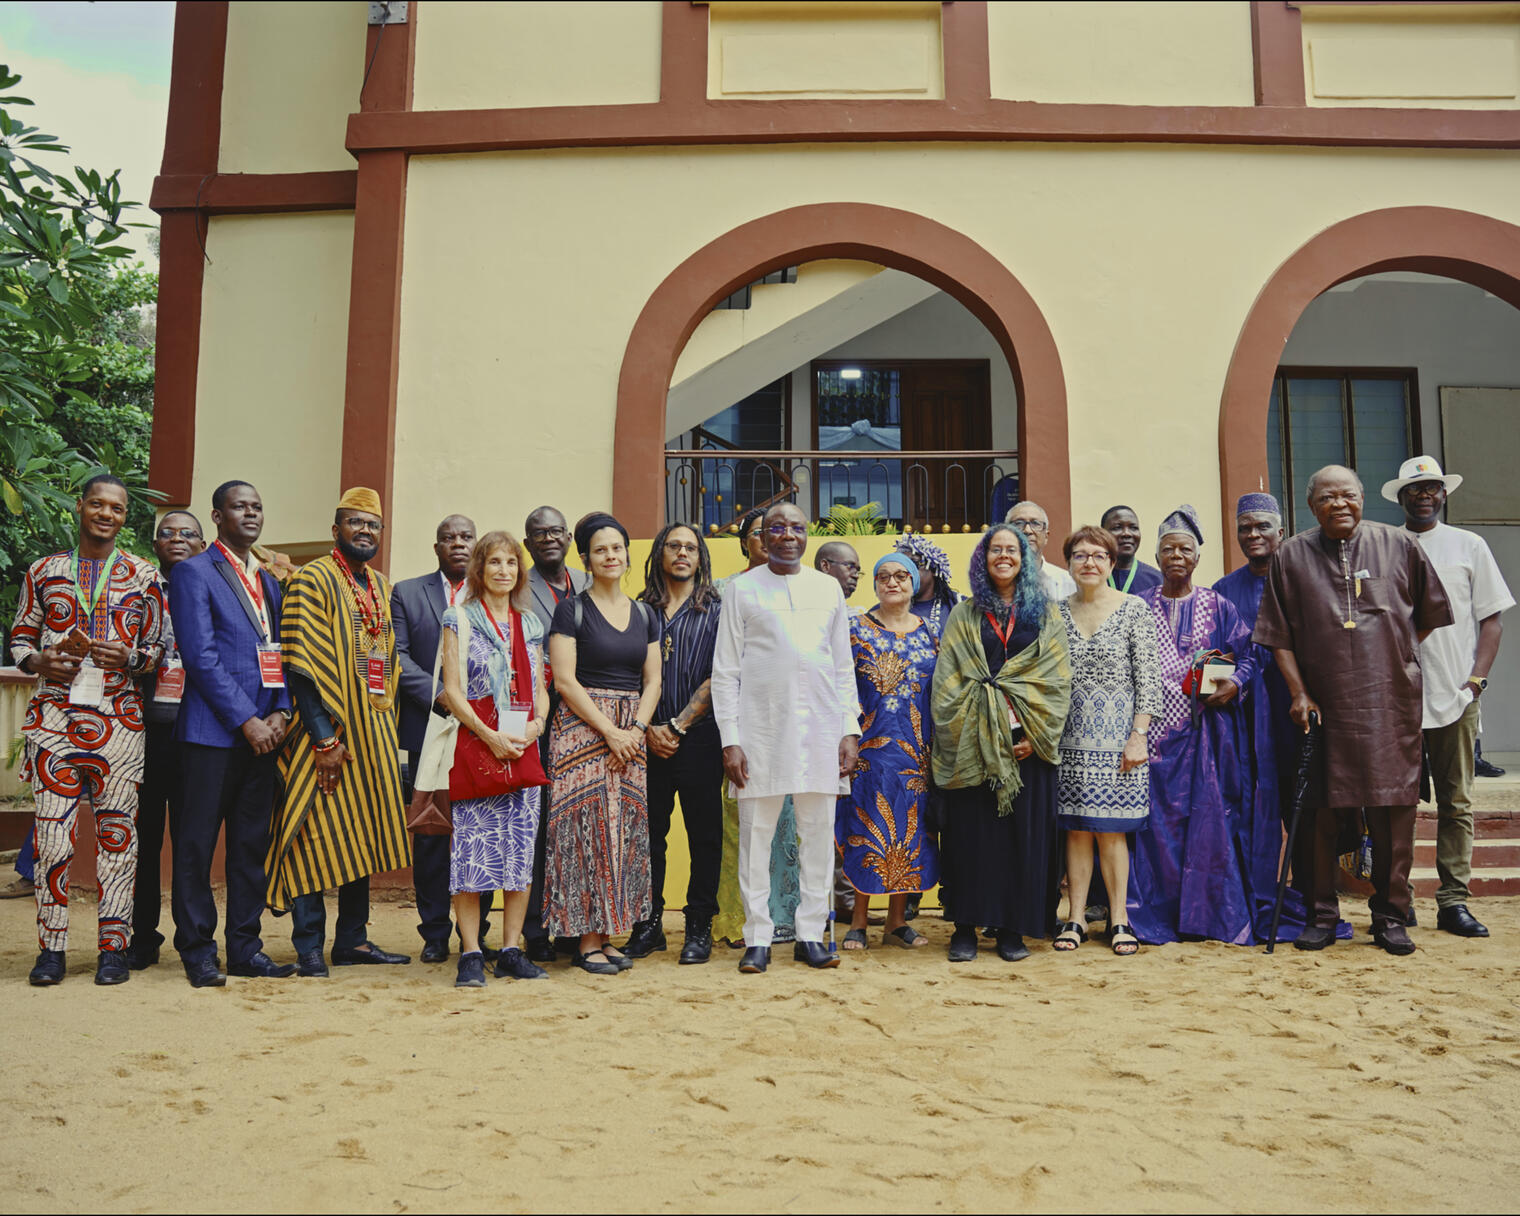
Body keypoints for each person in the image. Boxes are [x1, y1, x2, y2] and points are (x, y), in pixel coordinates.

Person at [1254, 466, 1453, 956]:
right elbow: (1277, 636)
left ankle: (1389, 917)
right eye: (1327, 497)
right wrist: (1299, 692)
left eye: (1347, 495)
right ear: (1310, 505)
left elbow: (1426, 617)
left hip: (1389, 705)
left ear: (1363, 499)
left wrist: (1393, 655)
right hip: (1322, 708)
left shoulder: (1400, 545)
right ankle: (1321, 916)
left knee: (1393, 813)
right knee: (1320, 813)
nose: (1338, 504)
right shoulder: (1291, 556)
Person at [10, 474, 166, 986]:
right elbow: (19, 636)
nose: (106, 513)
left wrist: (131, 656)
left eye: (116, 508)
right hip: (55, 720)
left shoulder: (143, 575)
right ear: (80, 507)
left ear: (125, 517)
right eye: (97, 504)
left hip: (120, 722)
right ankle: (51, 950)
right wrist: (38, 659)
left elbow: (160, 649)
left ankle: (113, 951)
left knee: (119, 840)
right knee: (54, 839)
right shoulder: (45, 570)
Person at [267, 487, 413, 975]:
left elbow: (386, 660)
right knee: (314, 833)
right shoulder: (312, 580)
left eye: (373, 525)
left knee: (361, 830)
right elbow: (300, 666)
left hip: (371, 731)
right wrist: (324, 739)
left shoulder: (381, 586)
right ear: (336, 530)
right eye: (355, 523)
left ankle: (352, 939)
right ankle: (309, 945)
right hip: (323, 735)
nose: (365, 531)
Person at [712, 501, 861, 974]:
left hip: (820, 730)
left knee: (817, 837)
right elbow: (725, 671)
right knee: (757, 836)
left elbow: (843, 668)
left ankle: (811, 935)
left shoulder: (827, 590)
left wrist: (849, 729)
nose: (787, 535)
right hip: (760, 732)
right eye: (777, 528)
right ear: (762, 537)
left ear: (807, 535)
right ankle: (757, 938)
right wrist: (730, 739)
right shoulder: (740, 590)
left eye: (796, 528)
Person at [169, 481, 297, 986]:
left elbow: (279, 651)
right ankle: (198, 951)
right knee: (197, 847)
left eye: (257, 506)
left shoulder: (266, 580)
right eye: (239, 506)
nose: (251, 513)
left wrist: (282, 711)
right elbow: (200, 657)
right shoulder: (193, 572)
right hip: (214, 736)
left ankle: (245, 949)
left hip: (266, 735)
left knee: (249, 848)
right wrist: (247, 720)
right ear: (217, 516)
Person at [1125, 506, 1271, 946]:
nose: (1175, 555)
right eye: (1167, 548)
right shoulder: (1139, 606)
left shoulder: (1218, 604)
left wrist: (1235, 684)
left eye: (1184, 549)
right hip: (1151, 740)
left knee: (1207, 825)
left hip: (1208, 738)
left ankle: (1207, 918)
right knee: (1155, 830)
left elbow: (1251, 654)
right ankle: (1155, 916)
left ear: (1196, 558)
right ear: (1156, 554)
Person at [1385, 456, 1512, 939]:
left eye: (1432, 488)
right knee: (1395, 803)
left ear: (1443, 495)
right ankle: (1398, 900)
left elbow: (1492, 619)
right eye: (1415, 488)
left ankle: (1453, 901)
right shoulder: (1386, 546)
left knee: (1456, 803)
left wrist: (1475, 682)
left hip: (1455, 696)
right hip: (1397, 699)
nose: (1424, 494)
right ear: (1401, 497)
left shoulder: (1468, 545)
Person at [931, 524, 1070, 963]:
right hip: (974, 745)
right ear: (983, 558)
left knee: (1020, 839)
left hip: (1029, 745)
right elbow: (948, 680)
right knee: (971, 839)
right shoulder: (965, 613)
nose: (1004, 556)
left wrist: (1035, 733)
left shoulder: (1045, 614)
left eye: (1013, 550)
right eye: (996, 550)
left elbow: (1058, 679)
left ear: (1025, 560)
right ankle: (966, 928)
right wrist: (978, 732)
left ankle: (1012, 930)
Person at [545, 513, 661, 975]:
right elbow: (564, 681)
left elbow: (653, 680)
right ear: (585, 559)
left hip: (631, 734)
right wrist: (609, 732)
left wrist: (634, 729)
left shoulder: (646, 613)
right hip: (581, 731)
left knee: (624, 832)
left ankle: (609, 932)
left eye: (617, 548)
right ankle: (584, 940)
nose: (611, 556)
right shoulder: (570, 610)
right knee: (583, 833)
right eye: (600, 550)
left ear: (627, 554)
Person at [437, 530, 552, 987]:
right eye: (494, 562)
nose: (503, 570)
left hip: (522, 744)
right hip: (477, 744)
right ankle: (469, 952)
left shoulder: (530, 624)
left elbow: (542, 688)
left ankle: (509, 949)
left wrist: (534, 727)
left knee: (520, 851)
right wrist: (489, 735)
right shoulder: (458, 619)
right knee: (471, 852)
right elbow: (452, 690)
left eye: (511, 562)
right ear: (479, 570)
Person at [1212, 492, 1325, 942]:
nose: (1253, 535)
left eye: (1262, 527)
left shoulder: (1306, 580)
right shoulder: (1223, 591)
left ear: (1282, 531)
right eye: (1245, 528)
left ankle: (1310, 893)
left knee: (1303, 800)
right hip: (1241, 717)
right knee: (1246, 803)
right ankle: (1248, 892)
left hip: (1298, 707)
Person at [392, 514, 495, 963]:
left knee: (481, 833)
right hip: (429, 730)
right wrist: (444, 698)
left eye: (465, 537)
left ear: (476, 545)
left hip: (483, 737)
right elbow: (397, 657)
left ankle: (480, 932)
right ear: (436, 547)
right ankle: (434, 932)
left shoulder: (493, 593)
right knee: (432, 835)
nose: (457, 543)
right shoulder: (409, 593)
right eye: (448, 538)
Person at [1053, 525, 1159, 956]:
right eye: (1080, 555)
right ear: (1070, 563)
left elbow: (1149, 680)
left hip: (1120, 742)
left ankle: (1119, 919)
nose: (1089, 563)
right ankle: (1075, 917)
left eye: (1098, 556)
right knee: (1076, 831)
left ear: (1112, 563)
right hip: (1069, 740)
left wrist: (1139, 736)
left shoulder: (1134, 610)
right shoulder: (1055, 612)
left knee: (1113, 833)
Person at [627, 522, 725, 964]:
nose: (682, 553)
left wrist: (679, 726)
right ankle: (648, 925)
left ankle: (698, 927)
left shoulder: (718, 610)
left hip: (701, 738)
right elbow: (627, 676)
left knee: (705, 836)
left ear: (701, 556)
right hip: (645, 740)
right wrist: (648, 729)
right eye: (673, 546)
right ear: (659, 555)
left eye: (690, 547)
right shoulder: (637, 611)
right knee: (649, 836)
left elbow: (721, 674)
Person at [836, 552, 939, 950]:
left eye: (901, 576)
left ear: (914, 584)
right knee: (866, 828)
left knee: (912, 832)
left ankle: (896, 922)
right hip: (869, 752)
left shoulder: (930, 632)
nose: (892, 582)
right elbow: (840, 687)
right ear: (874, 583)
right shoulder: (854, 630)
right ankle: (859, 921)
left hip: (918, 752)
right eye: (883, 576)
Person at [712, 508, 801, 948]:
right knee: (743, 827)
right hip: (743, 727)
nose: (774, 537)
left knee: (790, 825)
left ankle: (786, 918)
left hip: (792, 725)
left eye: (786, 529)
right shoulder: (724, 591)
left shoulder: (800, 589)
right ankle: (739, 920)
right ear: (747, 541)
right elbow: (721, 665)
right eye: (762, 532)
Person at [125, 510, 205, 971]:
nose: (176, 539)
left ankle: (192, 938)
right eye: (166, 533)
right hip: (142, 732)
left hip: (197, 732)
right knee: (145, 836)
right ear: (154, 544)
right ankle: (143, 936)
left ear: (202, 542)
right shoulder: (138, 590)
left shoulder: (212, 588)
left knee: (190, 839)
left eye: (187, 533)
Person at [520, 504, 591, 963]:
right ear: (528, 543)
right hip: (537, 720)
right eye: (539, 533)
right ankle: (534, 930)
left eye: (557, 531)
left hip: (586, 720)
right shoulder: (516, 587)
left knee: (574, 825)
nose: (549, 538)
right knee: (538, 825)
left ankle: (571, 923)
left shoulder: (588, 584)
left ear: (569, 538)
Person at [894, 532, 961, 640]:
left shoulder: (959, 604)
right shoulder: (885, 609)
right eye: (901, 566)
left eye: (914, 564)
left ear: (934, 569)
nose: (906, 571)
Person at [1006, 501, 1077, 599]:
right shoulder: (994, 581)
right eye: (1018, 523)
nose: (1027, 530)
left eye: (1035, 523)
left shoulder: (1067, 583)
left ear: (1046, 536)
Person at [1101, 506, 1162, 596]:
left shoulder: (1157, 580)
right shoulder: (1092, 576)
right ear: (1102, 534)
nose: (1127, 533)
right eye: (1117, 527)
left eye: (1133, 528)